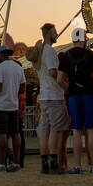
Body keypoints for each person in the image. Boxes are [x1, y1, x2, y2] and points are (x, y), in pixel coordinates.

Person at [62, 27, 93, 174]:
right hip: (89, 94)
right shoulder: (91, 55)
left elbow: (59, 79)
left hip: (74, 95)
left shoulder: (66, 56)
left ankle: (77, 165)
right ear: (84, 39)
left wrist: (68, 89)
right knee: (92, 129)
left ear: (73, 40)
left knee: (77, 130)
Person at [36, 23, 68, 175]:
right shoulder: (49, 51)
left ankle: (44, 163)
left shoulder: (40, 51)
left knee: (45, 129)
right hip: (54, 94)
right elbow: (52, 72)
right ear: (49, 33)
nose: (56, 35)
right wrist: (63, 83)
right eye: (55, 32)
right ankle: (54, 163)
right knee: (55, 129)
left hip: (44, 95)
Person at [0, 43, 25, 171]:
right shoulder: (18, 67)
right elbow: (22, 88)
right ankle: (16, 162)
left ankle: (2, 163)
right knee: (16, 133)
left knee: (2, 134)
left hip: (0, 105)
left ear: (2, 54)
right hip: (13, 105)